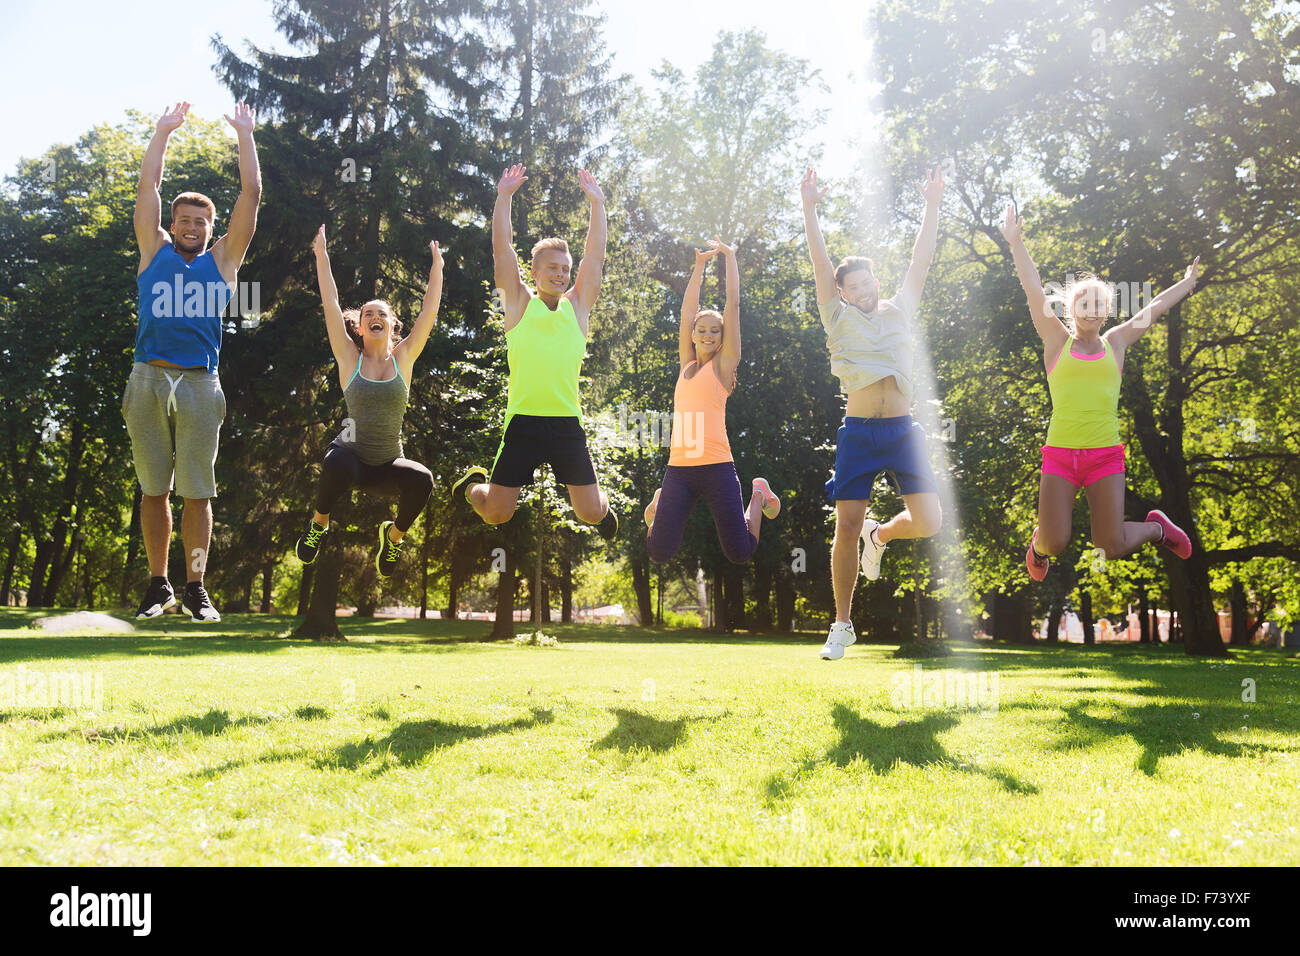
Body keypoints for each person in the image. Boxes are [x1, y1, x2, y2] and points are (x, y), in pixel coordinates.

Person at [999, 204, 1198, 580]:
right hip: (1060, 454)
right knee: (1054, 543)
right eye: (1083, 304)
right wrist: (1015, 242)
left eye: (1098, 305)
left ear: (1106, 311)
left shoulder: (1116, 343)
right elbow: (1031, 287)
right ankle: (1038, 545)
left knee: (1112, 545)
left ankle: (1157, 528)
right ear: (1071, 309)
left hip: (1105, 456)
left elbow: (1154, 308)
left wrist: (1187, 285)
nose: (1090, 310)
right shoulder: (1056, 341)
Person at [801, 165, 944, 660]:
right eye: (853, 287)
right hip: (859, 433)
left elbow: (922, 262)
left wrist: (932, 203)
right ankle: (841, 624)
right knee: (844, 525)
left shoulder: (900, 310)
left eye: (867, 283)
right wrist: (810, 208)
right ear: (842, 293)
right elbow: (820, 262)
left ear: (876, 282)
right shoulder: (836, 317)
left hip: (904, 431)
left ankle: (880, 535)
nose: (863, 291)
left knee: (929, 521)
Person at [126, 101, 260, 622]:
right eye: (183, 219)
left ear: (209, 227)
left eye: (200, 221)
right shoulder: (152, 250)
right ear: (172, 224)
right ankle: (157, 586)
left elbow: (251, 195)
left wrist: (245, 136)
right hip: (148, 376)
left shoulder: (224, 260)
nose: (190, 226)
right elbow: (148, 190)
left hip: (202, 383)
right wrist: (161, 133)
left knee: (197, 491)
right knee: (153, 487)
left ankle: (195, 587)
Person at [451, 164, 618, 541]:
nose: (560, 274)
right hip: (523, 422)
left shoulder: (578, 307)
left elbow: (594, 257)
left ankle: (601, 506)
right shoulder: (519, 303)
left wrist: (598, 205)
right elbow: (502, 249)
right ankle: (474, 485)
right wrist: (504, 197)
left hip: (565, 423)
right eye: (552, 268)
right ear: (535, 271)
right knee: (496, 514)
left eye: (565, 269)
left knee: (591, 512)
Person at [293, 226, 441, 576]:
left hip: (388, 465)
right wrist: (320, 255)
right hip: (351, 460)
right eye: (367, 315)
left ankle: (393, 538)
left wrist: (438, 266)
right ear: (359, 327)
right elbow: (330, 302)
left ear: (393, 325)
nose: (375, 318)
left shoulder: (404, 358)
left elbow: (429, 312)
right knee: (336, 463)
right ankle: (319, 524)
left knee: (423, 480)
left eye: (382, 314)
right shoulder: (349, 358)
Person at [643, 239, 780, 565]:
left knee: (740, 553)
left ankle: (758, 495)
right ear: (692, 334)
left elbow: (732, 306)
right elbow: (687, 310)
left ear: (722, 337)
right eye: (701, 330)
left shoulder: (723, 366)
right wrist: (700, 266)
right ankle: (660, 504)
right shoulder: (687, 365)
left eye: (715, 331)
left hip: (717, 468)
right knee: (659, 552)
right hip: (679, 469)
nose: (707, 335)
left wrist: (730, 257)